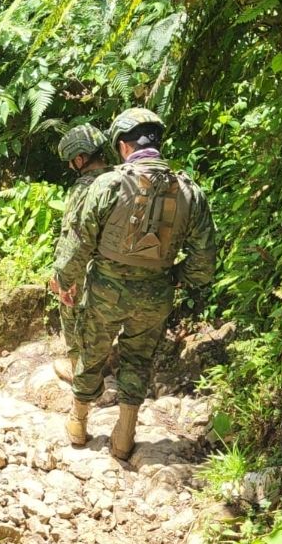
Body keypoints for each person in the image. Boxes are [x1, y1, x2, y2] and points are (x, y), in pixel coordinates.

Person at [51, 108, 216, 460]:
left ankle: (79, 424)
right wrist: (172, 276)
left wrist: (65, 280)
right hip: (156, 294)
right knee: (137, 360)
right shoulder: (190, 191)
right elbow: (203, 265)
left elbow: (79, 241)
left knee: (92, 353)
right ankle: (124, 436)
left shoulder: (107, 184)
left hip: (106, 291)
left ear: (123, 147)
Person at [50, 124, 111, 383]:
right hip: (121, 269)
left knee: (70, 308)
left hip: (89, 268)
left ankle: (79, 369)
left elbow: (73, 236)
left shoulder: (84, 188)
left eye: (71, 162)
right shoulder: (122, 180)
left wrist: (61, 276)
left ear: (80, 158)